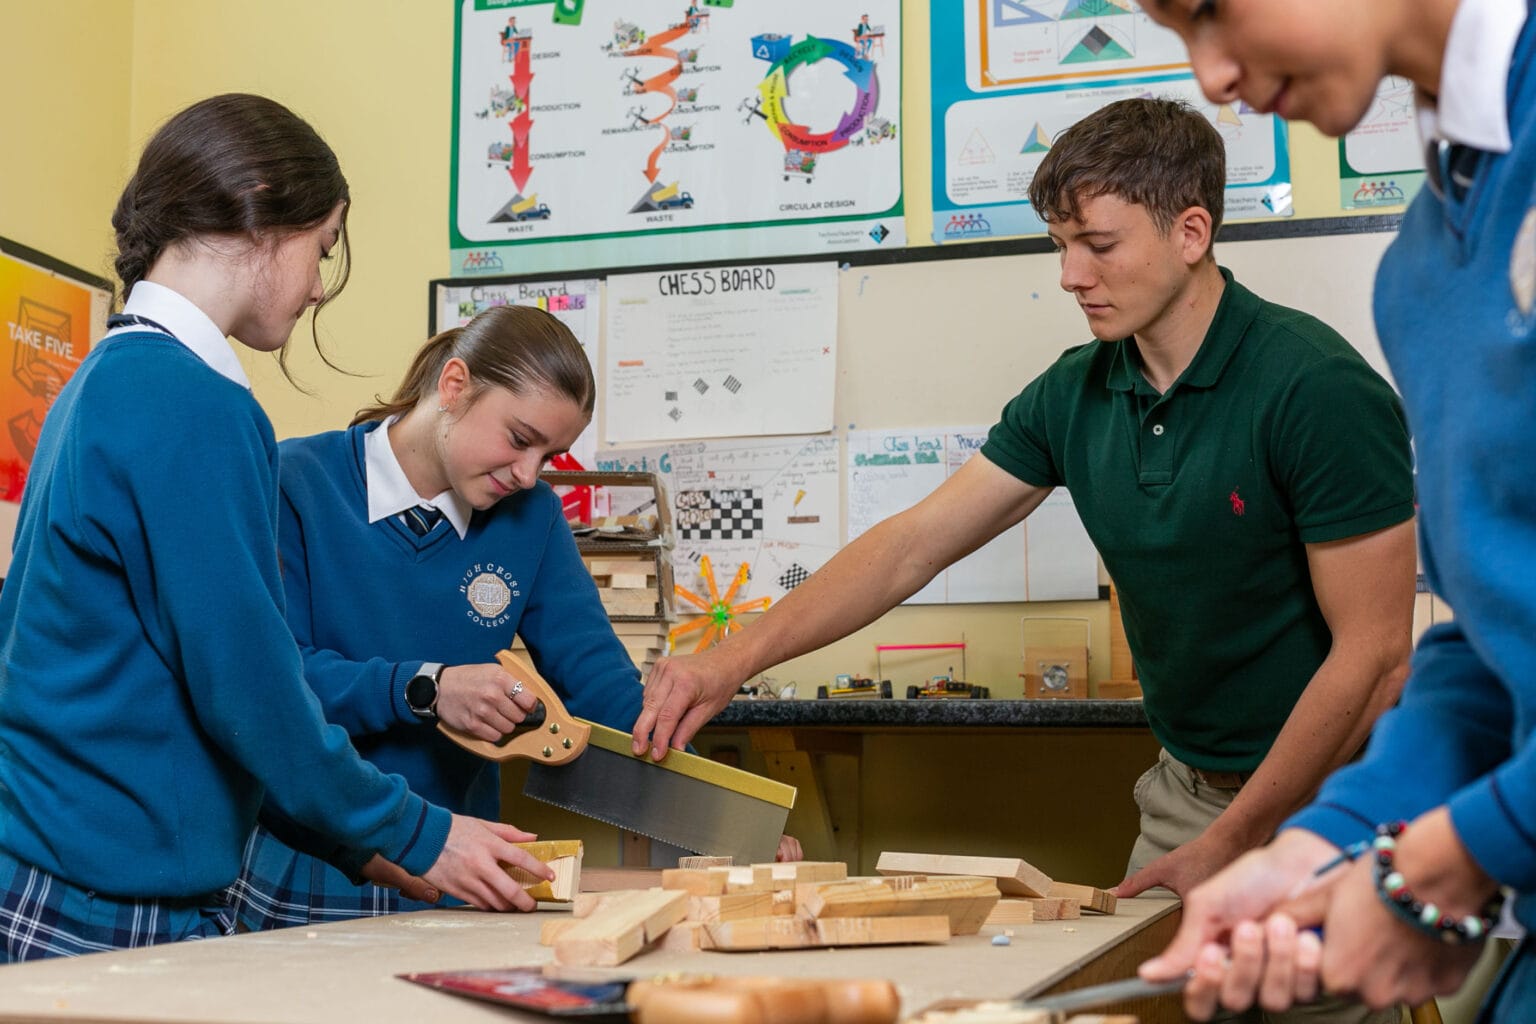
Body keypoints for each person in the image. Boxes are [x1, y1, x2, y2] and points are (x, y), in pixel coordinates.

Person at [635, 97, 1417, 1023]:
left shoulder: (1314, 388)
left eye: (1098, 244)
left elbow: (1374, 657)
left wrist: (1243, 835)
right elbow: (909, 546)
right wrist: (731, 657)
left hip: (1334, 796)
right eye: (1060, 244)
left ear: (1192, 231)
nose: (1070, 275)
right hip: (1187, 792)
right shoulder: (1076, 391)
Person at [0, 94, 553, 962]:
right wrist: (420, 835)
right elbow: (250, 689)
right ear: (261, 206)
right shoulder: (193, 401)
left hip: (63, 869)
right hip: (100, 893)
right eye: (322, 246)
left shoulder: (105, 378)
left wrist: (367, 848)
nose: (320, 285)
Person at [1133, 2, 1536, 1021]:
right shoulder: (1423, 270)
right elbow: (1486, 654)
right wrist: (1324, 839)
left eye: (1209, 8)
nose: (1211, 75)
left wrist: (1444, 861)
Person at [226, 305, 645, 927]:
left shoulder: (532, 517)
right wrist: (428, 686)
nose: (529, 474)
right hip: (308, 863)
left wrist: (727, 808)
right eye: (520, 439)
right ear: (454, 386)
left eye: (550, 456)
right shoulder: (292, 482)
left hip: (456, 873)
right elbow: (270, 683)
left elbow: (601, 685)